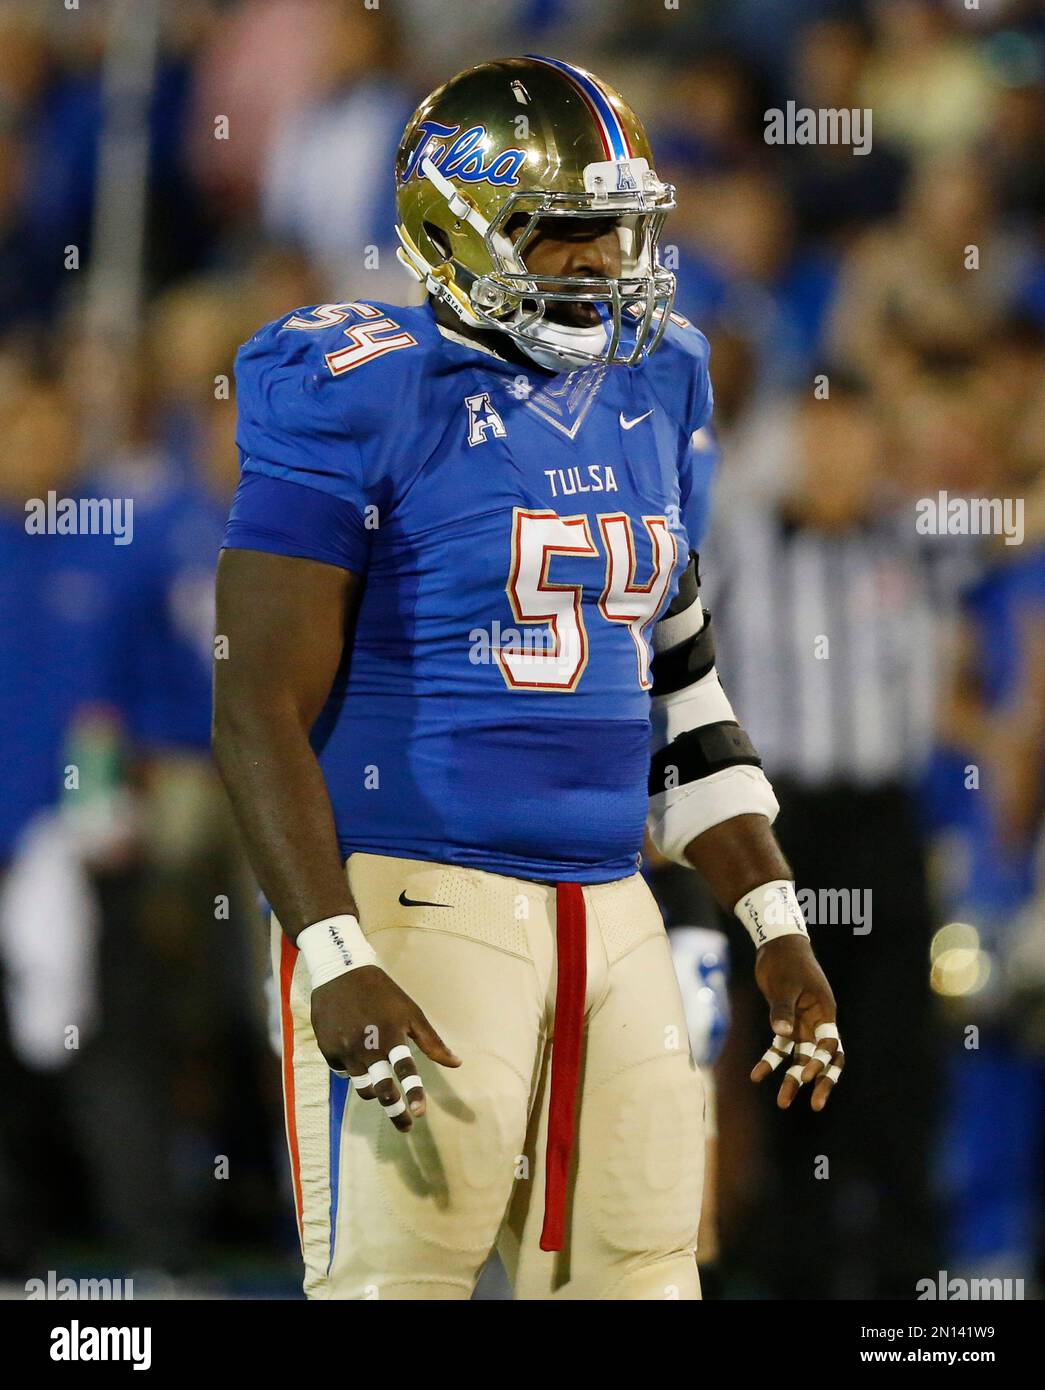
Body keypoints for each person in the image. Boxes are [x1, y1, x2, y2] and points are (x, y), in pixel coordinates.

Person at [212, 55, 844, 1302]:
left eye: (619, 228)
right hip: (418, 892)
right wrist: (333, 947)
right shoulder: (354, 383)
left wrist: (775, 920)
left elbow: (680, 682)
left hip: (613, 903)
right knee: (399, 1279)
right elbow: (255, 703)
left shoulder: (663, 375)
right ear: (457, 225)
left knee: (645, 1274)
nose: (603, 260)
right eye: (563, 229)